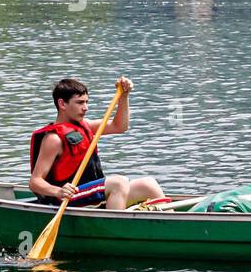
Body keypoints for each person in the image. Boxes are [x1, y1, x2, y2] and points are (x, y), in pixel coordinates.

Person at [28, 76, 164, 209]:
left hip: (90, 193)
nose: (85, 107)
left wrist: (124, 96)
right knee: (118, 182)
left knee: (148, 184)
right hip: (67, 198)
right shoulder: (54, 139)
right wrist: (57, 191)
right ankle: (115, 228)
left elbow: (120, 126)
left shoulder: (85, 125)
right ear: (62, 104)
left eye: (86, 102)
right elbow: (35, 182)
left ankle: (173, 223)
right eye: (80, 102)